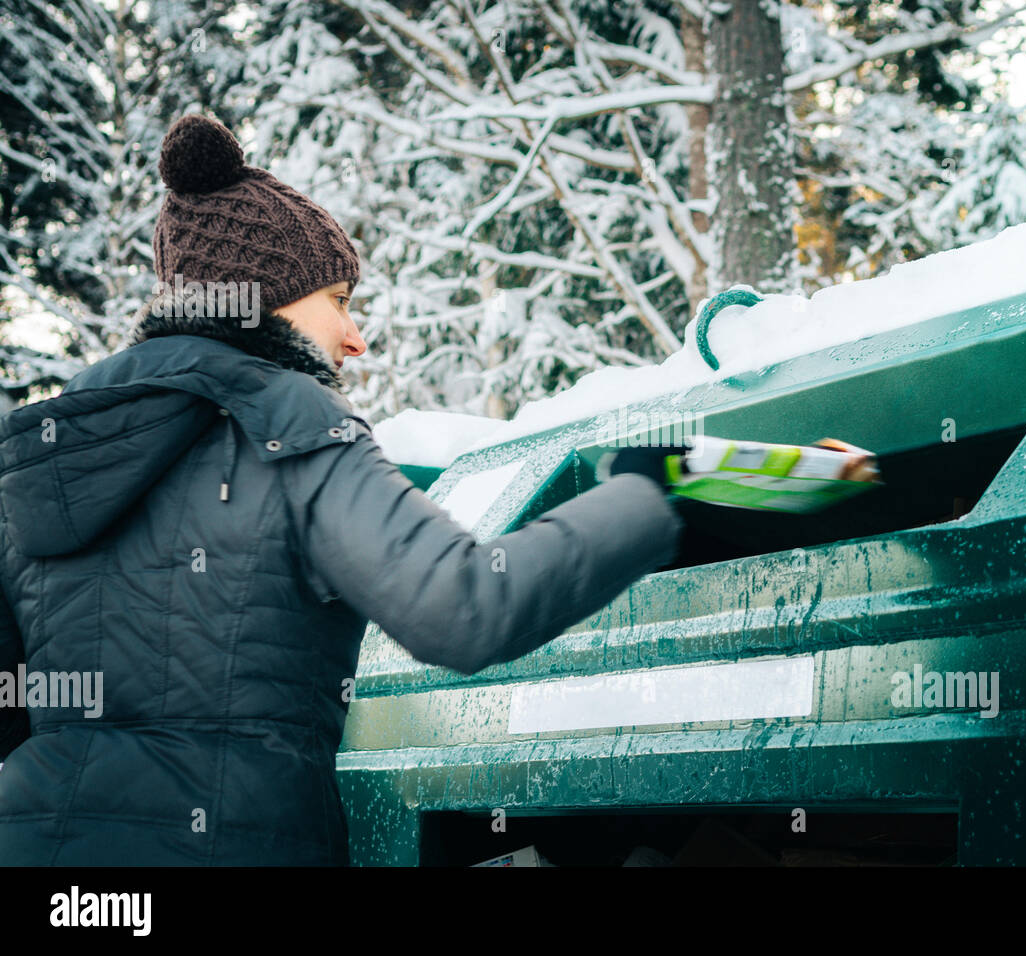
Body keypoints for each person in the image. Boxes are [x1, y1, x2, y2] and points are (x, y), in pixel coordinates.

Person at [0, 114, 683, 866]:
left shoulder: (43, 456)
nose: (356, 338)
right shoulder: (290, 421)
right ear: (267, 299)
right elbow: (465, 605)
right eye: (337, 299)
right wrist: (642, 495)